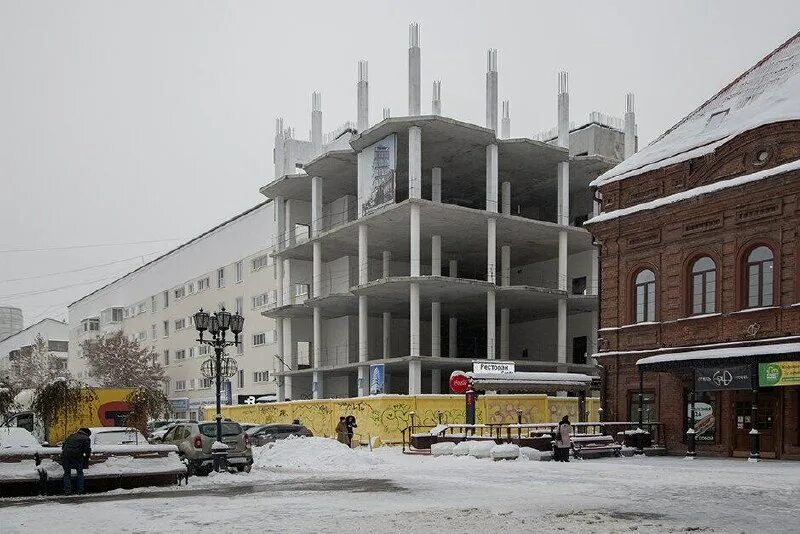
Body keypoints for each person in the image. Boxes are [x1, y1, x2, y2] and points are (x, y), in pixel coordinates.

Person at [62, 427, 91, 494]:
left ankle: (67, 491)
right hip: (77, 457)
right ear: (87, 433)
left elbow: (63, 447)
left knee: (67, 473)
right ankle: (80, 490)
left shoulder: (71, 436)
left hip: (65, 456)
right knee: (80, 473)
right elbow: (87, 450)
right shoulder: (86, 438)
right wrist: (86, 459)